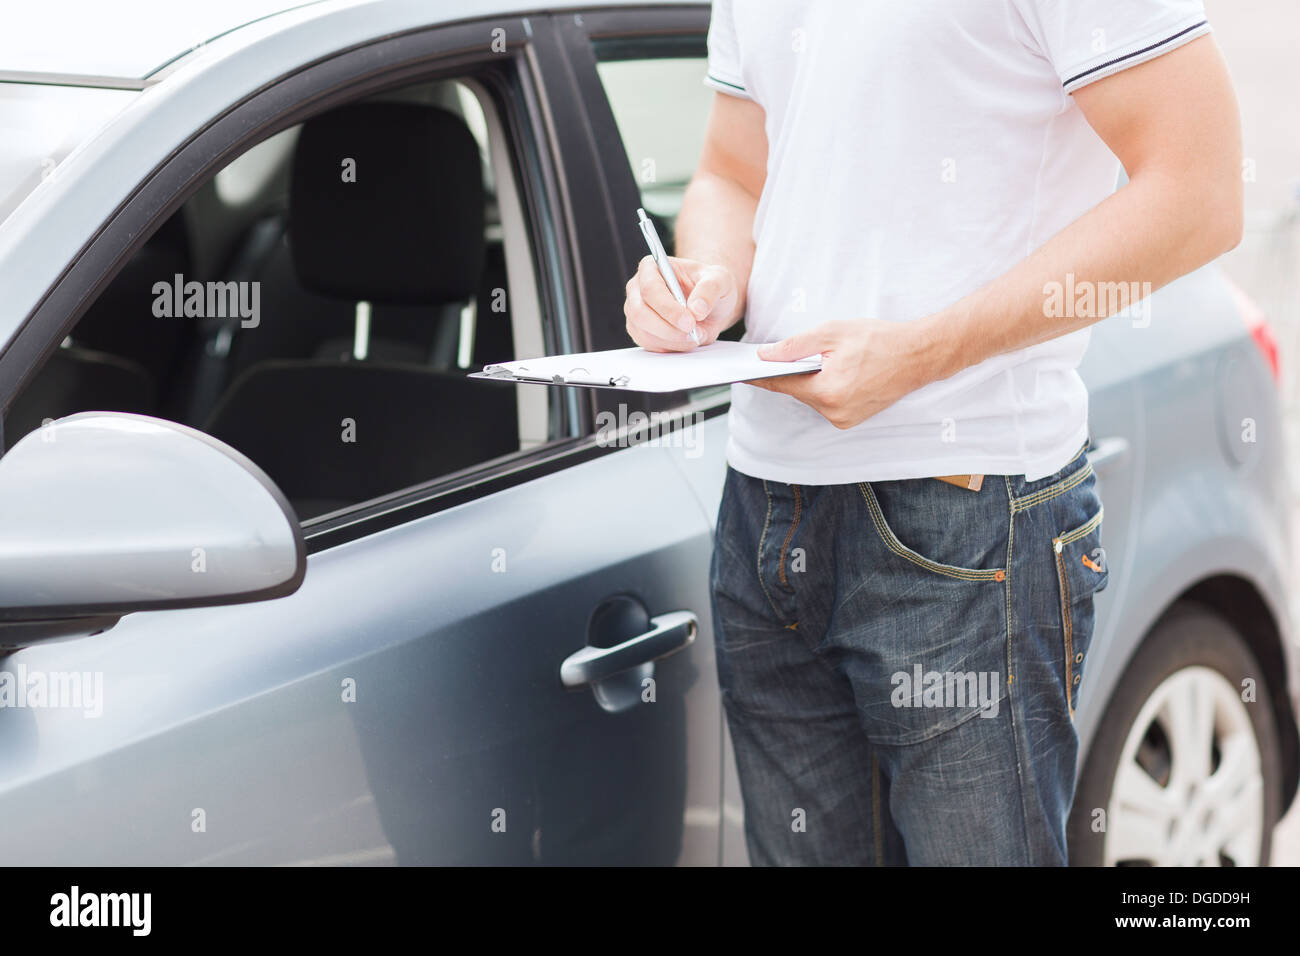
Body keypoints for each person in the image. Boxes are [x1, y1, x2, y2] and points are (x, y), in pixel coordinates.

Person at [622, 0, 1242, 865]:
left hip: (970, 515)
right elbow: (731, 174)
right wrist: (708, 282)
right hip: (765, 507)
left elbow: (1200, 192)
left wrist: (922, 354)